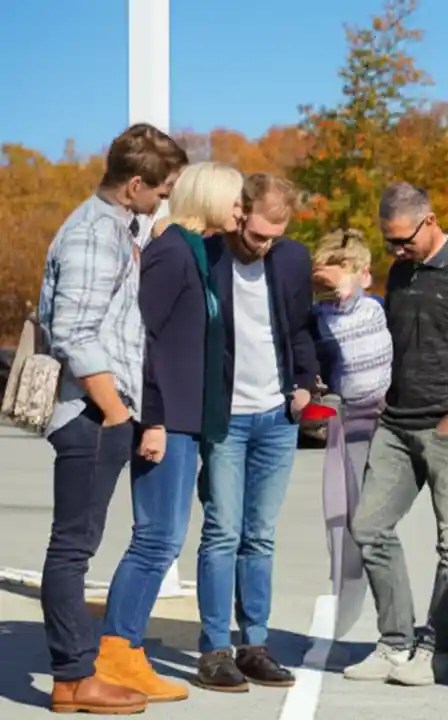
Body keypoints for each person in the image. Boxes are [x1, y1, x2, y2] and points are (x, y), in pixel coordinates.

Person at [337, 182, 448, 686]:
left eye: (403, 240)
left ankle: (436, 649)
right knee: (368, 526)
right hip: (397, 424)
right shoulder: (400, 272)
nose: (397, 250)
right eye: (389, 241)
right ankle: (395, 644)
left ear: (430, 221)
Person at [36, 122, 187, 715]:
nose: (164, 200)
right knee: (72, 548)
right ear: (133, 185)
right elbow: (73, 331)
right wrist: (117, 411)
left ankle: (72, 683)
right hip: (90, 415)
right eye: (162, 190)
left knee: (76, 545)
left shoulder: (115, 227)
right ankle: (73, 677)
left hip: (98, 411)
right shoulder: (94, 235)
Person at [92, 162, 241, 704]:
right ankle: (117, 655)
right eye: (236, 200)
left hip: (188, 418)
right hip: (164, 418)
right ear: (210, 196)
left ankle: (126, 653)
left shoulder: (197, 252)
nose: (242, 211)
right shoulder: (173, 252)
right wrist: (151, 417)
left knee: (163, 540)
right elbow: (142, 340)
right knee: (155, 539)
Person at [194, 173, 319, 692]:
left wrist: (306, 383)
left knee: (260, 536)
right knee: (222, 532)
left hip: (276, 417)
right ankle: (214, 651)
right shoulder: (205, 254)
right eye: (257, 234)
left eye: (275, 236)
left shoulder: (290, 259)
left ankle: (255, 646)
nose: (264, 245)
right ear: (239, 213)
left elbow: (298, 327)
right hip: (225, 417)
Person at [310, 228, 393, 639]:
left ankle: (393, 622)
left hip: (389, 424)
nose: (344, 283)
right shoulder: (318, 317)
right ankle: (350, 603)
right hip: (351, 427)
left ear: (365, 274)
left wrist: (348, 283)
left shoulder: (378, 310)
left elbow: (358, 300)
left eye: (355, 272)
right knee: (350, 521)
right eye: (334, 273)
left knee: (379, 523)